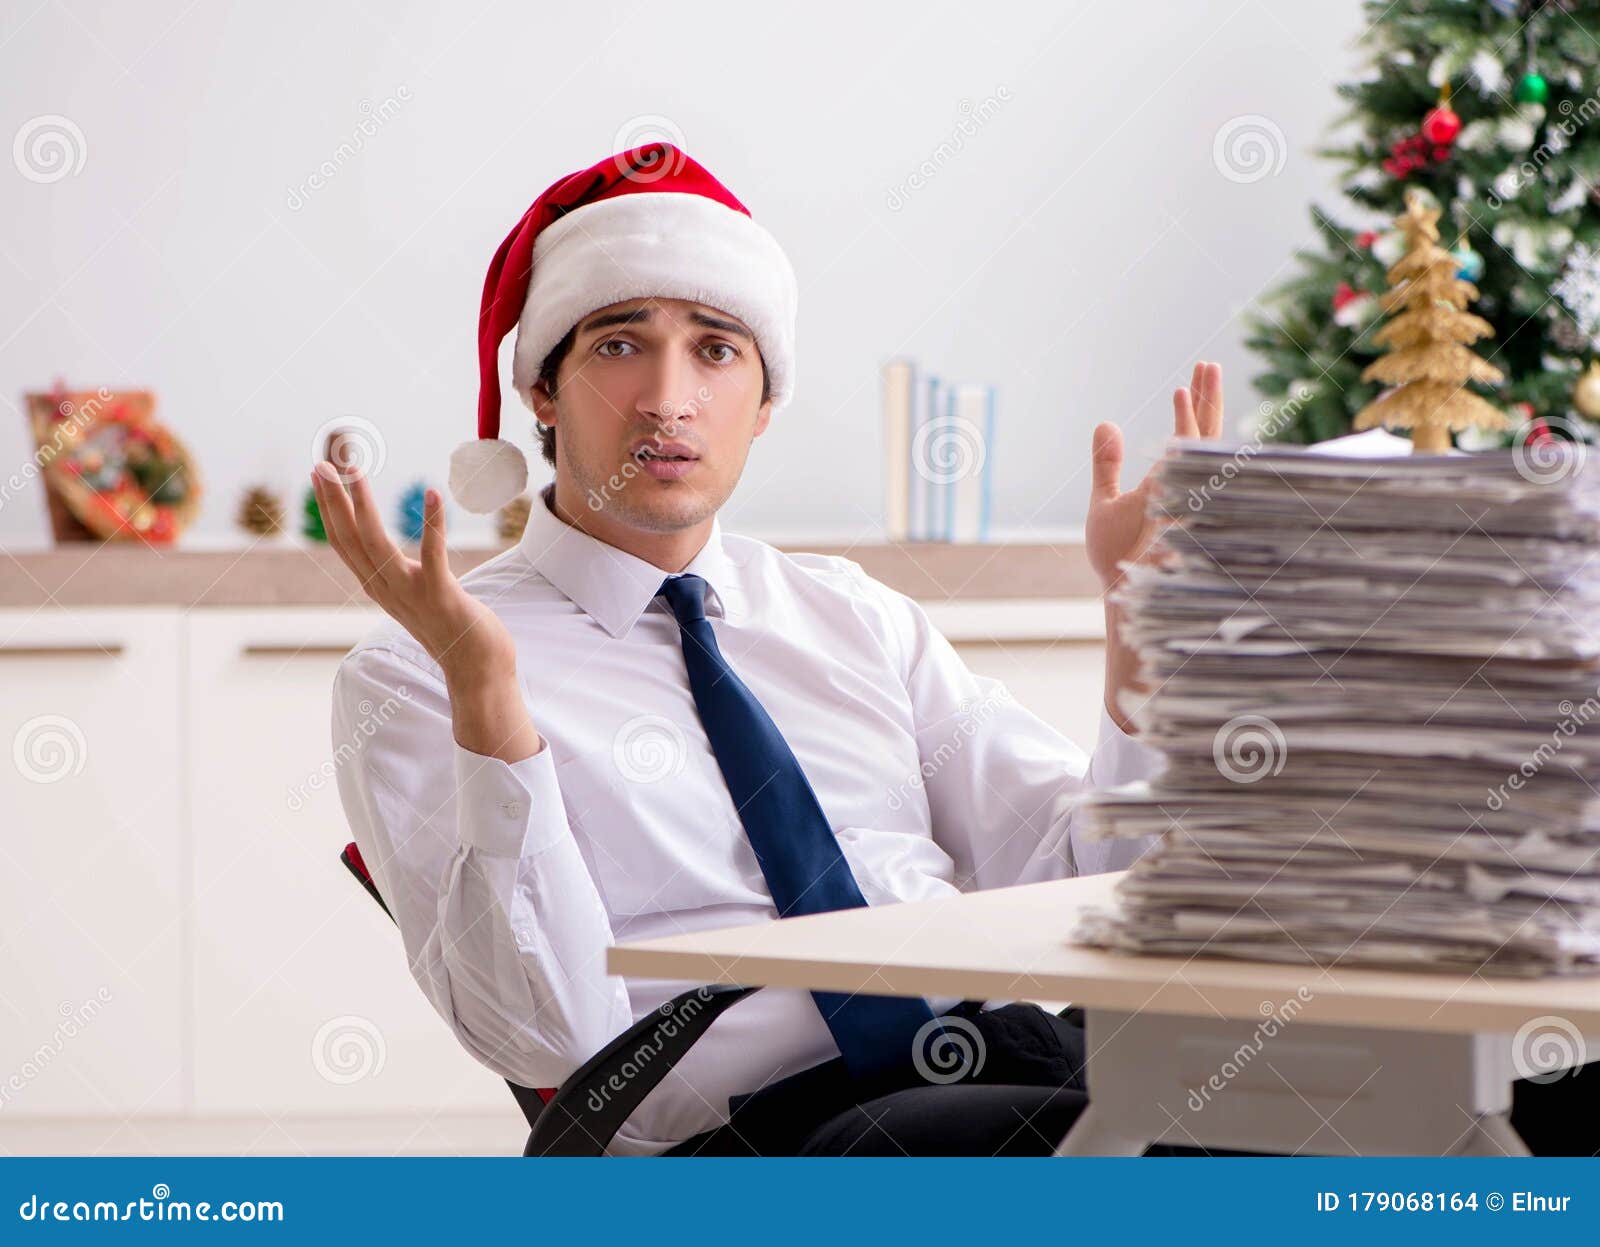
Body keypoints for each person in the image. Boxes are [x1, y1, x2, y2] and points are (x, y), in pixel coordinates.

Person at [319, 141, 1224, 1156]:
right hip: (763, 1134)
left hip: (1006, 1056)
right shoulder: (418, 671)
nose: (668, 397)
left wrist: (1144, 624)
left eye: (715, 349)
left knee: (1331, 1109)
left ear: (763, 402)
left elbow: (1099, 886)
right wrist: (488, 689)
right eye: (619, 344)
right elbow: (547, 1032)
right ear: (540, 388)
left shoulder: (849, 613)